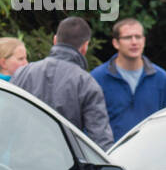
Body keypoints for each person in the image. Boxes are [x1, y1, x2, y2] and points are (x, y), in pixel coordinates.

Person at [11, 16, 114, 149]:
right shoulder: (87, 83)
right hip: (65, 165)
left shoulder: (23, 73)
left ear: (55, 40)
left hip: (21, 163)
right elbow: (101, 139)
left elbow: (4, 122)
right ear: (85, 47)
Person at [90, 18, 166, 140]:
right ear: (116, 43)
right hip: (110, 155)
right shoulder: (98, 78)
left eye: (138, 37)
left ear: (144, 40)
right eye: (128, 37)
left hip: (152, 154)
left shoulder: (161, 79)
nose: (134, 42)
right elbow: (90, 125)